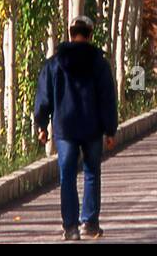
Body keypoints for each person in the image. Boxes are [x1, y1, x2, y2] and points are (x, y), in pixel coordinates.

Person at [34, 17, 119, 241]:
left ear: (70, 34)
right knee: (91, 173)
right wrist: (110, 130)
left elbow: (44, 97)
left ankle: (71, 228)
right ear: (90, 35)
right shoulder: (99, 64)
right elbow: (107, 98)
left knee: (67, 176)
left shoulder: (54, 64)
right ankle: (89, 223)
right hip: (92, 128)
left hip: (65, 129)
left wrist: (42, 125)